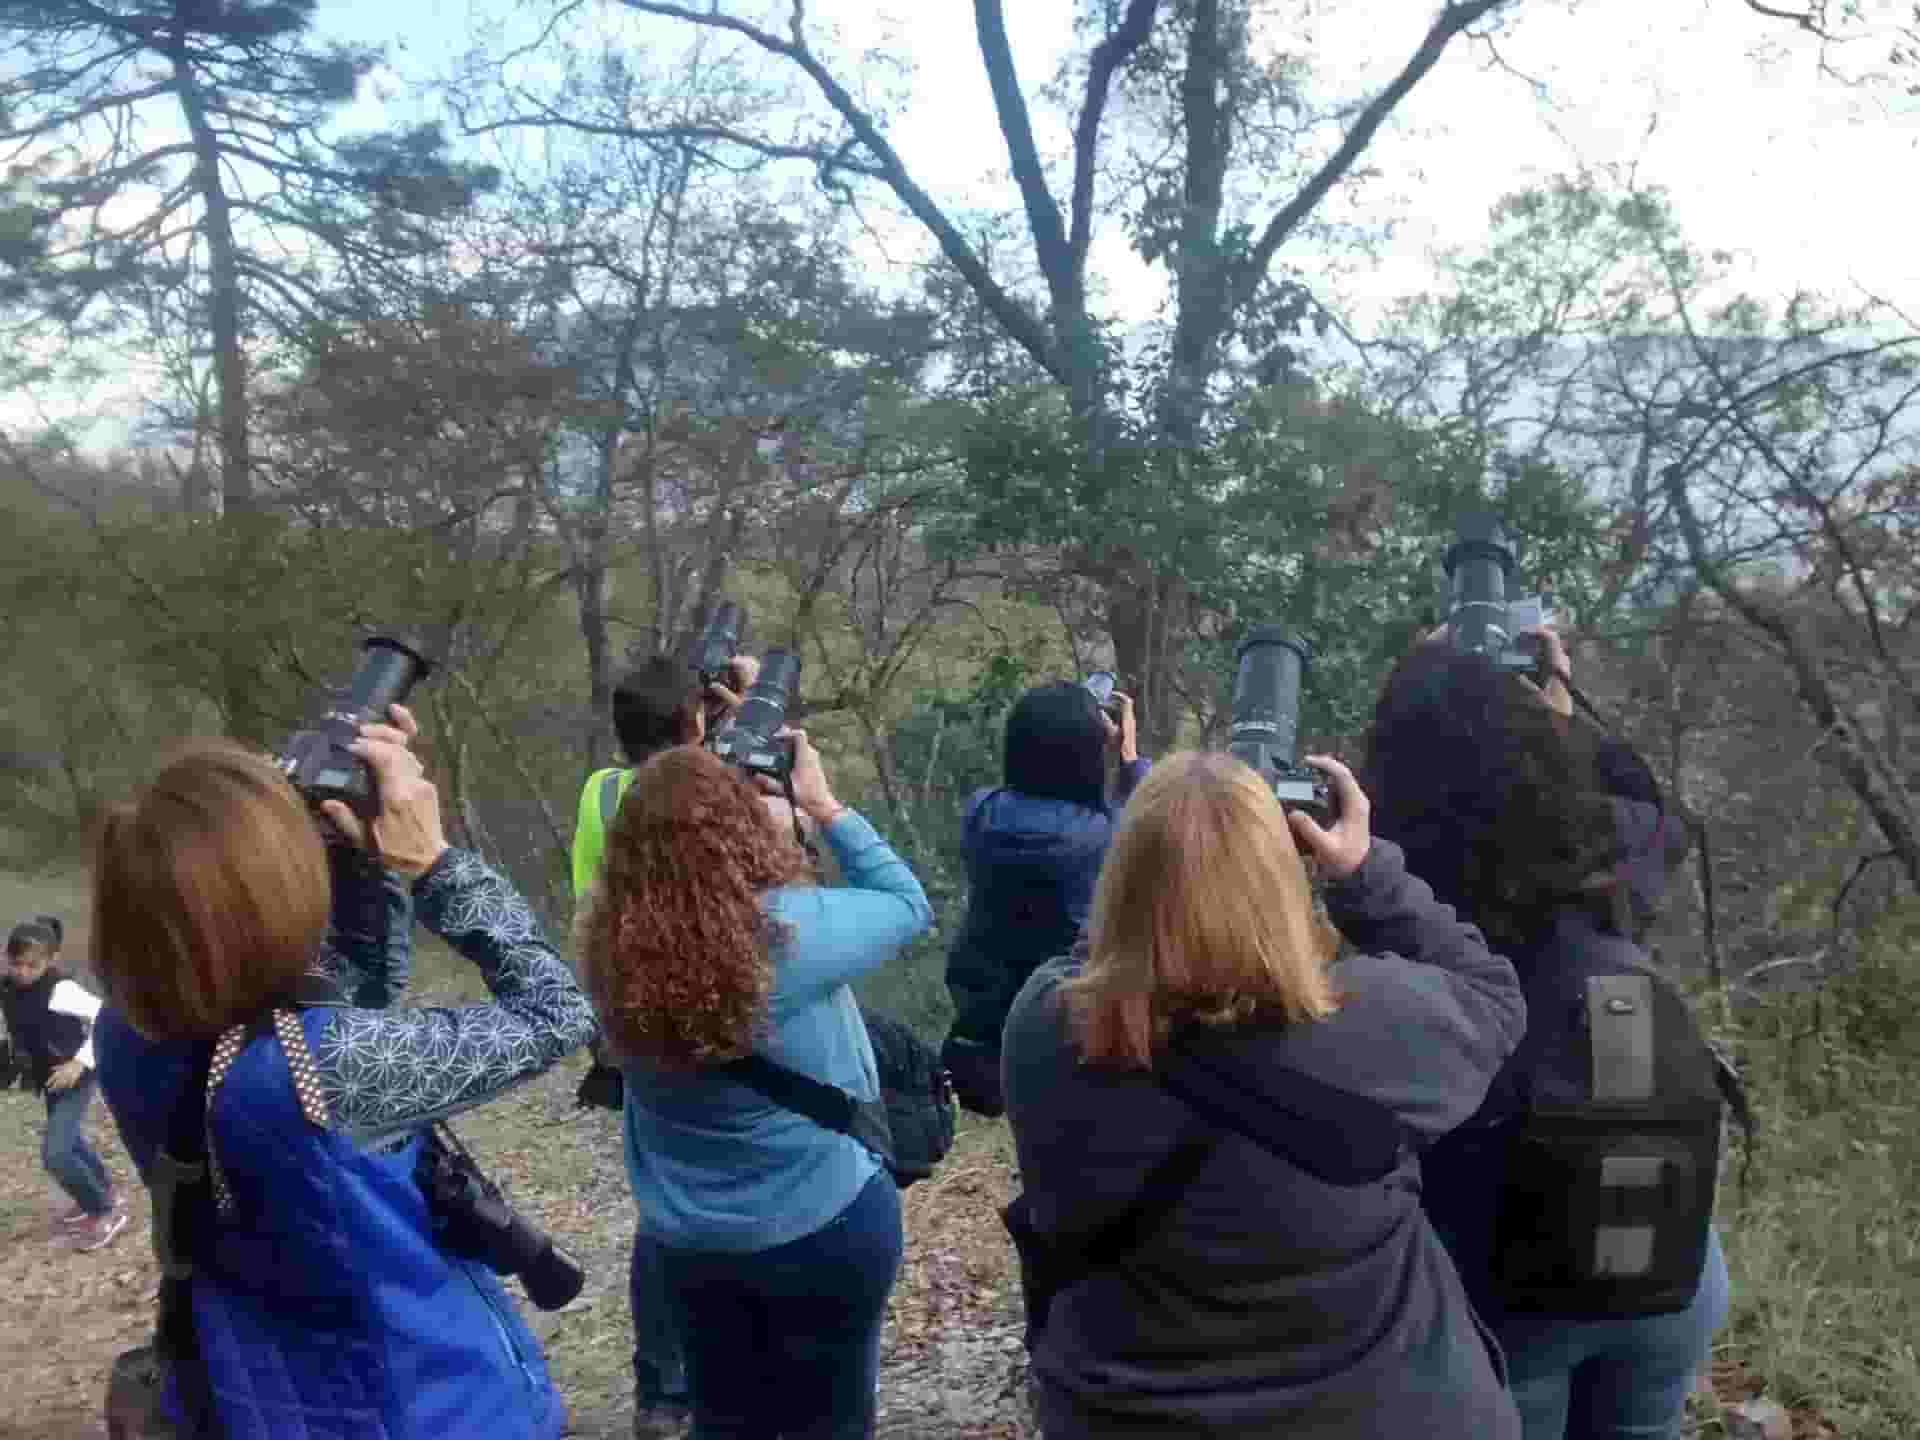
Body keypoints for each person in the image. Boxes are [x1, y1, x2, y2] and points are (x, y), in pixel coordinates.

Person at [92, 706, 596, 1440]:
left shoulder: (126, 1029)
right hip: (429, 1407)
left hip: (263, 1395)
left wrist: (357, 860)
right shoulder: (330, 1065)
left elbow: (353, 991)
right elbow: (559, 1014)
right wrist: (432, 865)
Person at [1002, 750, 1527, 1440]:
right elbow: (1492, 993)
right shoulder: (1375, 1021)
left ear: (1122, 879)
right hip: (1386, 1414)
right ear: (1283, 878)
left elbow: (1097, 962)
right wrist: (1361, 873)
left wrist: (1164, 860)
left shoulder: (1045, 1030)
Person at [1364, 630, 1729, 1440]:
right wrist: (1561, 701)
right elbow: (1653, 804)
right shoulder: (1613, 854)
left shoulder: (1400, 886)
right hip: (1669, 1265)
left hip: (1510, 1284)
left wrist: (1419, 683)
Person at [577, 737, 933, 1440]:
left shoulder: (603, 950)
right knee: (833, 1416)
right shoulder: (789, 932)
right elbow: (905, 902)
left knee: (725, 1415)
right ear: (744, 827)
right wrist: (821, 808)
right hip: (824, 1223)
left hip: (689, 1241)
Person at [571, 646, 758, 1437]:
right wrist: (744, 720)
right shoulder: (718, 790)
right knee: (747, 1188)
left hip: (635, 1022)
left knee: (666, 1205)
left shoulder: (602, 792)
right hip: (723, 1014)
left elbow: (588, 897)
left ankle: (662, 1391)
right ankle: (742, 1369)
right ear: (693, 721)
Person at [942, 680, 1150, 1116]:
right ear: (1088, 757)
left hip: (989, 1021)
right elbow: (1152, 824)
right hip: (1066, 1030)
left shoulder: (981, 814)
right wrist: (1128, 758)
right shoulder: (1098, 838)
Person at [3, 914, 126, 1252]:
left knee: (56, 1153)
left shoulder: (61, 990)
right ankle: (103, 1188)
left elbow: (106, 1017)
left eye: (32, 965)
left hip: (76, 1075)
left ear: (50, 960)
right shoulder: (9, 988)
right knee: (69, 1142)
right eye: (17, 964)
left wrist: (79, 1062)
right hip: (51, 1078)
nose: (23, 972)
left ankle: (104, 1211)